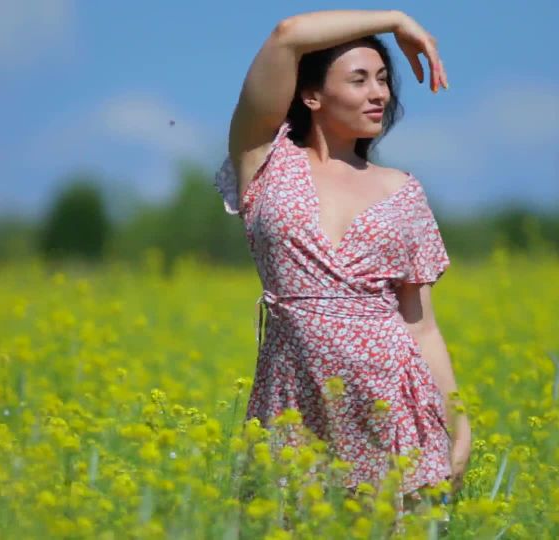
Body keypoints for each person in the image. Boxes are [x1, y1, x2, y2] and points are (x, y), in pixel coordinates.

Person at [213, 9, 472, 521]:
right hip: (292, 395)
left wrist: (458, 423)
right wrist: (396, 19)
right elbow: (286, 36)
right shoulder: (264, 160)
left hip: (390, 402)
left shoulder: (402, 192)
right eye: (359, 79)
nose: (380, 93)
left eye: (383, 80)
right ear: (310, 95)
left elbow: (422, 328)